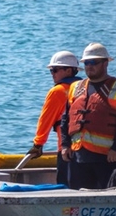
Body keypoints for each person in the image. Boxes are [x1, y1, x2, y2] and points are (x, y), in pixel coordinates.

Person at [61, 43, 116, 189]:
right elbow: (66, 118)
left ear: (105, 63)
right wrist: (65, 145)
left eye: (94, 62)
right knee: (78, 197)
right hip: (79, 156)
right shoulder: (76, 88)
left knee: (110, 195)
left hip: (109, 158)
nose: (90, 66)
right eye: (87, 62)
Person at [26, 51, 81, 184]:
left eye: (55, 70)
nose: (52, 74)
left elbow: (45, 120)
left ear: (68, 70)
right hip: (87, 150)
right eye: (51, 70)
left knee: (66, 187)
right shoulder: (85, 87)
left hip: (66, 150)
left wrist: (38, 144)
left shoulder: (58, 91)